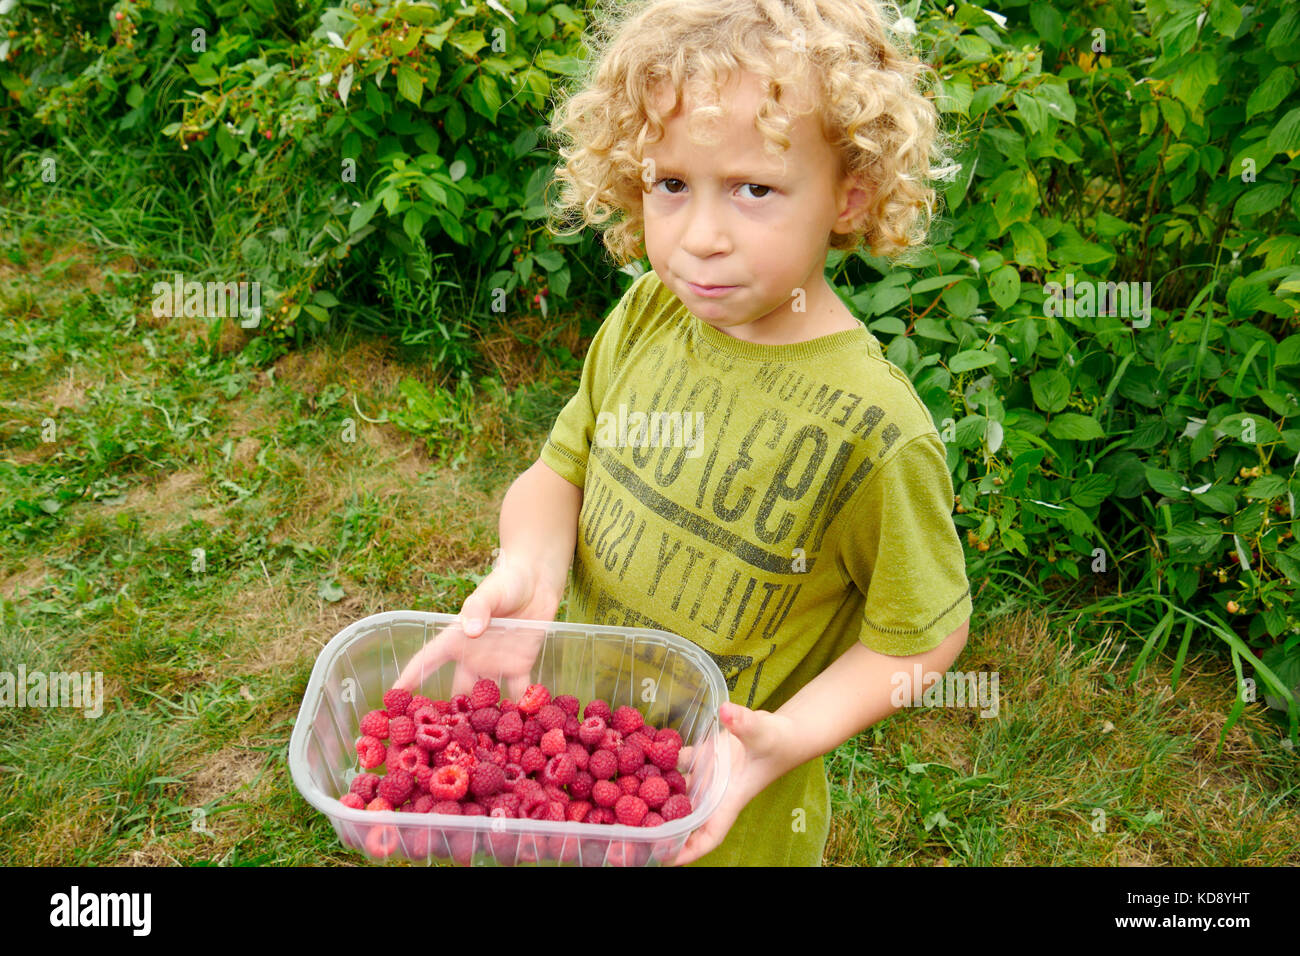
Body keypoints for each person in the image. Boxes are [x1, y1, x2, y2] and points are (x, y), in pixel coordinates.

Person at [401, 0, 972, 866]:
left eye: (755, 189)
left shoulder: (875, 431)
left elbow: (925, 636)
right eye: (671, 184)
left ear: (850, 193)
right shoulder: (645, 315)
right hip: (576, 777)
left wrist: (789, 734)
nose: (701, 239)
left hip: (723, 814)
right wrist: (530, 567)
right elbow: (557, 477)